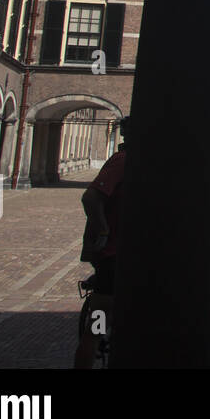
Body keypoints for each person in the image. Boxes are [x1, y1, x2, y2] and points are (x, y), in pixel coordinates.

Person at [76, 118, 129, 368]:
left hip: (124, 257)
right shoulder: (122, 161)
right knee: (96, 328)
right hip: (113, 259)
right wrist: (104, 230)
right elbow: (91, 197)